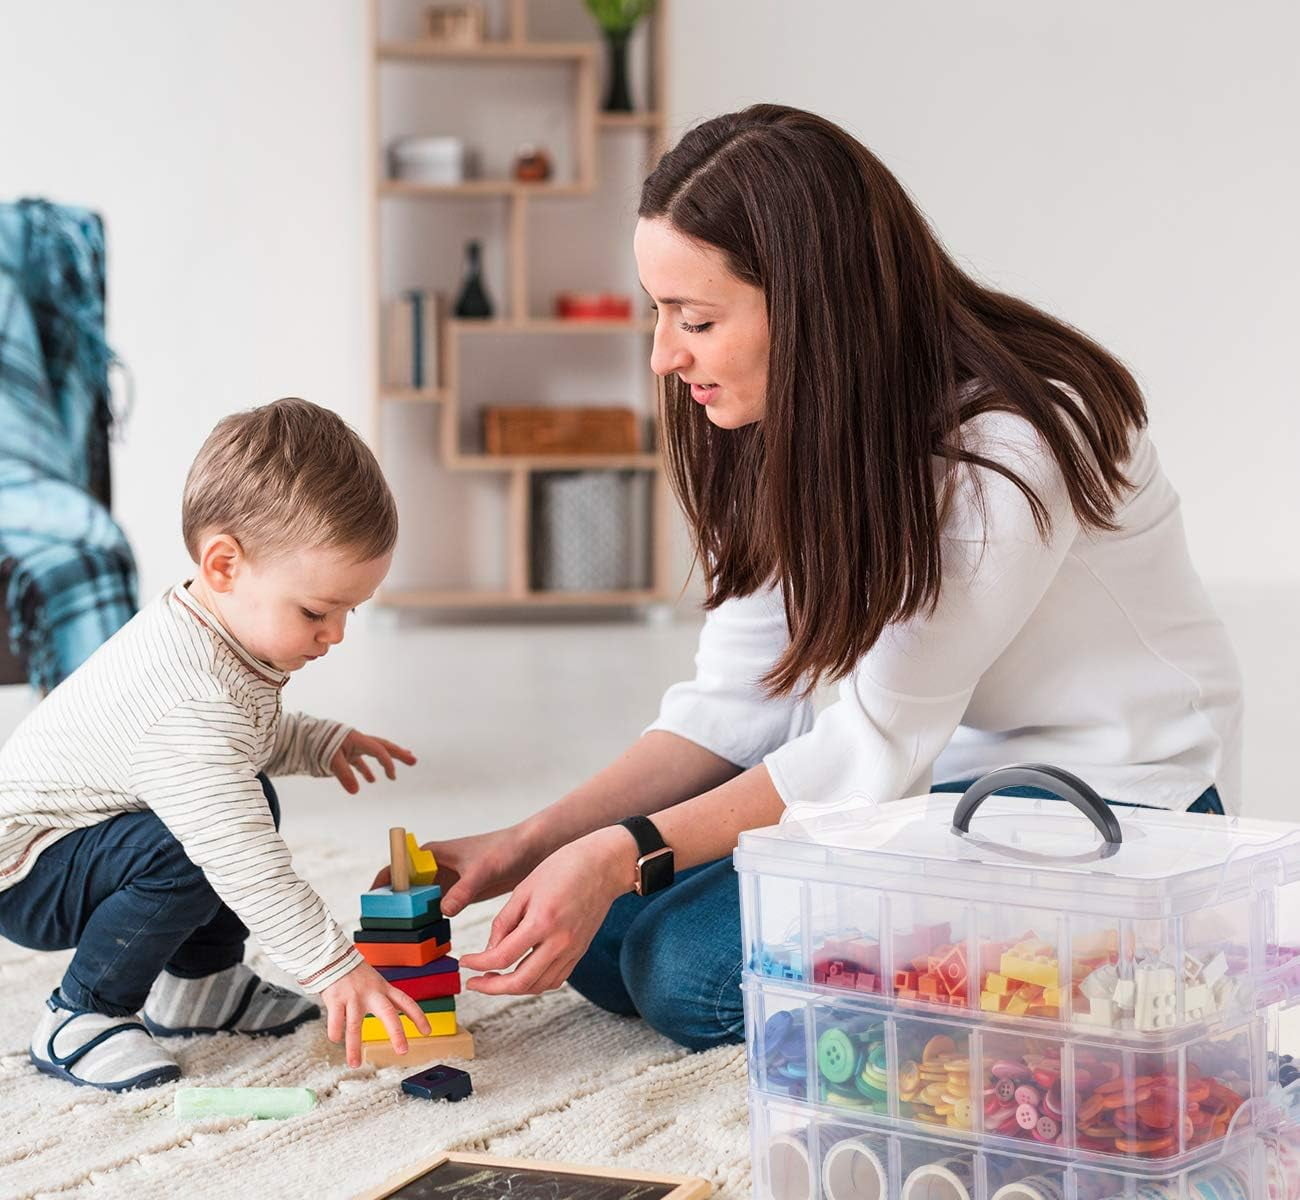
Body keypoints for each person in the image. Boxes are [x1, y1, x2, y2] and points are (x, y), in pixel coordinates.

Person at [390, 104, 1243, 1052]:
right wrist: (537, 843)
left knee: (683, 970)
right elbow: (738, 705)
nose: (664, 356)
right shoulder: (784, 417)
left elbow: (870, 747)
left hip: (1109, 794)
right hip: (931, 783)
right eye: (659, 311)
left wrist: (623, 852)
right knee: (601, 933)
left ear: (811, 308)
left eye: (697, 319)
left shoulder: (1014, 442)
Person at [0, 397, 428, 1089]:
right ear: (224, 564)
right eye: (317, 611)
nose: (338, 634)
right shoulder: (186, 697)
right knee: (200, 836)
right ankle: (80, 1013)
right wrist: (334, 967)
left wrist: (318, 743)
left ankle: (201, 985)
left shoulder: (211, 632)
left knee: (239, 794)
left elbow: (242, 738)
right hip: (28, 872)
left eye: (351, 610)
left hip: (82, 837)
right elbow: (244, 859)